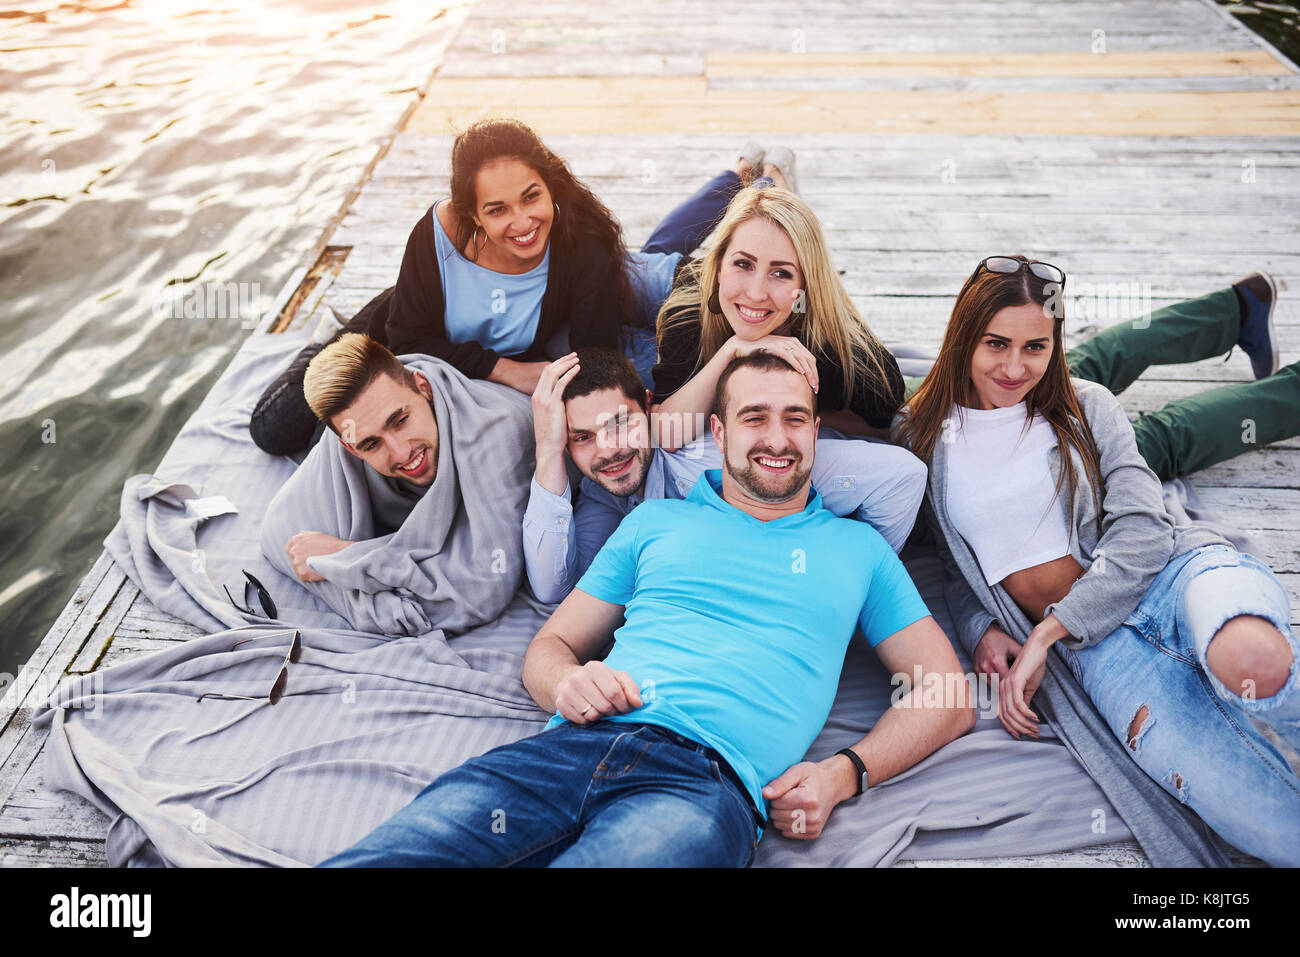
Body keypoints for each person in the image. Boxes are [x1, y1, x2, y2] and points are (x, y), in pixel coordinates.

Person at [320, 351, 974, 867]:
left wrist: (843, 774)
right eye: (754, 417)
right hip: (572, 748)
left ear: (814, 431)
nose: (776, 437)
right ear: (717, 431)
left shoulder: (858, 549)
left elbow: (947, 693)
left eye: (794, 418)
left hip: (701, 785)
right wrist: (568, 681)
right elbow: (549, 645)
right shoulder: (654, 522)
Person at [893, 255, 1300, 866]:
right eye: (995, 344)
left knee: (1254, 660)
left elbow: (1144, 530)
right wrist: (983, 629)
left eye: (1035, 347)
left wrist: (1045, 634)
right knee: (1265, 825)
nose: (1013, 367)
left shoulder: (1087, 403)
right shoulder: (920, 435)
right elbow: (957, 565)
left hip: (1169, 580)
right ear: (963, 338)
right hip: (1102, 658)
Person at [250, 119, 798, 456]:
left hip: (600, 289)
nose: (520, 221)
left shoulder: (580, 241)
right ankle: (741, 172)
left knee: (682, 282)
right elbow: (410, 336)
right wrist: (506, 370)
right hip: (405, 322)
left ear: (549, 187)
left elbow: (594, 359)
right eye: (496, 209)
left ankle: (761, 184)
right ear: (471, 214)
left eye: (531, 197)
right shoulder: (437, 233)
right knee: (275, 428)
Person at [523, 346, 926, 602]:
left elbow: (901, 476)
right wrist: (547, 452)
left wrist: (853, 590)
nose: (608, 450)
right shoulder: (604, 494)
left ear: (649, 408)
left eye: (619, 423)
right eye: (581, 437)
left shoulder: (723, 458)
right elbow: (553, 587)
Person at [258, 333, 534, 636]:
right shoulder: (357, 423)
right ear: (350, 449)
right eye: (372, 444)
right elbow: (280, 533)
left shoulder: (498, 435)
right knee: (272, 429)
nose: (402, 452)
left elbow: (487, 587)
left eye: (400, 420)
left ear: (423, 388)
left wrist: (347, 558)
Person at [650, 185, 905, 448]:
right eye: (743, 264)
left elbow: (887, 426)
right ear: (717, 267)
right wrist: (732, 350)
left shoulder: (848, 355)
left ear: (805, 286)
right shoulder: (688, 311)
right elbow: (664, 435)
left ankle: (777, 181)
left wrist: (804, 412)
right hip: (668, 279)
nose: (756, 294)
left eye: (781, 273)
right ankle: (766, 177)